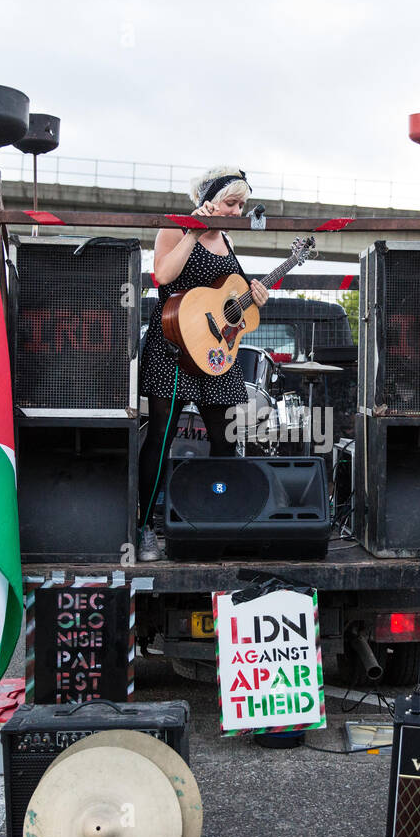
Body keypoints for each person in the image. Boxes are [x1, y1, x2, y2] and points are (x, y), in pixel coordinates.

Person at [137, 166, 269, 561]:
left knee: (225, 437)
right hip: (175, 346)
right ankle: (144, 528)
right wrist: (193, 230)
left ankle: (218, 520)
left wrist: (255, 295)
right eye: (231, 202)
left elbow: (234, 297)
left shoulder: (227, 240)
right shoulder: (175, 229)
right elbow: (163, 275)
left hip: (215, 353)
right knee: (160, 436)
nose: (237, 210)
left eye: (241, 204)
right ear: (209, 199)